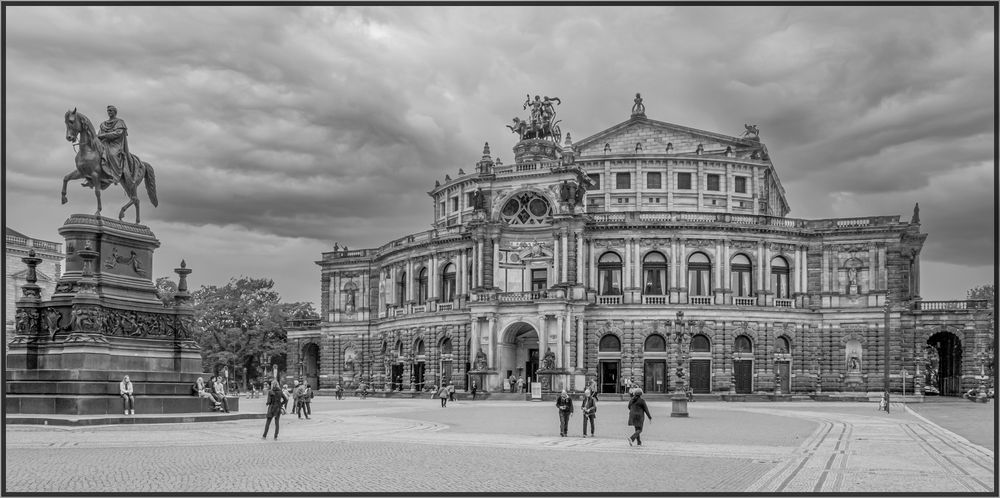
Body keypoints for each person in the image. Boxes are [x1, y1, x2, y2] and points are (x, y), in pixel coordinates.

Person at [96, 105, 135, 183]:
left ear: (115, 112)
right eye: (108, 111)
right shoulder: (103, 124)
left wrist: (104, 135)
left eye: (111, 110)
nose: (109, 112)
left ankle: (116, 176)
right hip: (104, 143)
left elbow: (118, 133)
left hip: (115, 143)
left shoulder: (120, 122)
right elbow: (100, 134)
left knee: (112, 154)